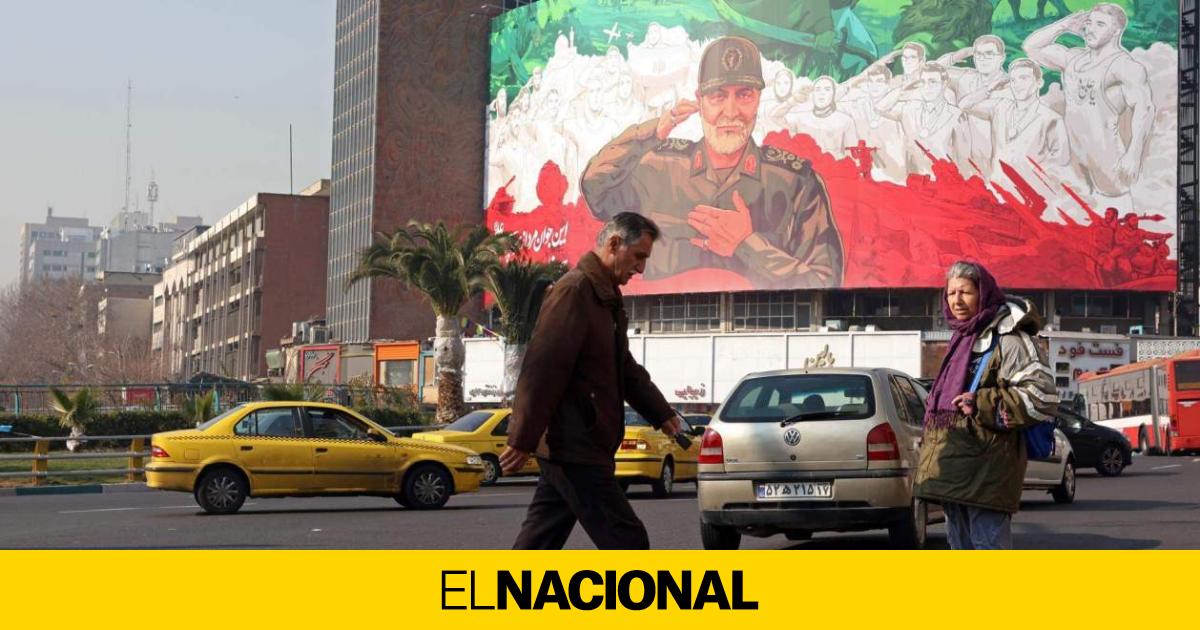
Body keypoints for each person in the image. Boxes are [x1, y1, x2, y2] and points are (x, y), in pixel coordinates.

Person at [581, 35, 843, 289]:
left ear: (758, 100)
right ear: (700, 101)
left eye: (744, 95)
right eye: (718, 96)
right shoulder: (659, 166)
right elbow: (596, 190)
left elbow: (825, 282)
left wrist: (748, 245)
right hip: (662, 325)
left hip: (766, 328)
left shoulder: (795, 183)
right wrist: (651, 132)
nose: (731, 112)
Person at [501, 213, 683, 550]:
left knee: (538, 543)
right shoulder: (575, 291)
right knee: (628, 541)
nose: (641, 269)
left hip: (578, 444)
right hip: (574, 445)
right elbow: (543, 368)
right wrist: (521, 437)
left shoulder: (606, 298)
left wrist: (662, 414)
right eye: (639, 256)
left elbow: (623, 367)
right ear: (614, 244)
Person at [914, 261, 1059, 549]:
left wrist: (982, 403)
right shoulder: (961, 339)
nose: (956, 300)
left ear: (983, 293)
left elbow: (1043, 396)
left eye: (965, 292)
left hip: (987, 471)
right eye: (951, 293)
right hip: (953, 472)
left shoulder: (1010, 340)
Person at [1023, 4, 1155, 213]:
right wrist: (1064, 25)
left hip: (1105, 154)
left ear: (1116, 31)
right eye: (1089, 23)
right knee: (1078, 218)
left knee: (1116, 214)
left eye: (1100, 24)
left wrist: (1133, 153)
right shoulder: (1073, 58)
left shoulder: (1125, 66)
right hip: (1074, 153)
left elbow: (1144, 108)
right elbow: (1031, 47)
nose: (1090, 29)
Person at [959, 58, 1068, 190]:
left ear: (1039, 83)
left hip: (1031, 194)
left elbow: (1061, 161)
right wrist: (989, 88)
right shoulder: (999, 106)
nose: (1017, 84)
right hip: (996, 189)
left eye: (1024, 78)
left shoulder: (1051, 118)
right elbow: (964, 105)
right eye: (1013, 80)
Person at [875, 63, 972, 176]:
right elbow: (880, 108)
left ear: (944, 83)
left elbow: (964, 160)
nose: (927, 87)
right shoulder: (908, 109)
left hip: (944, 184)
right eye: (923, 82)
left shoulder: (957, 115)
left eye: (932, 82)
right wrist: (905, 86)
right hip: (914, 183)